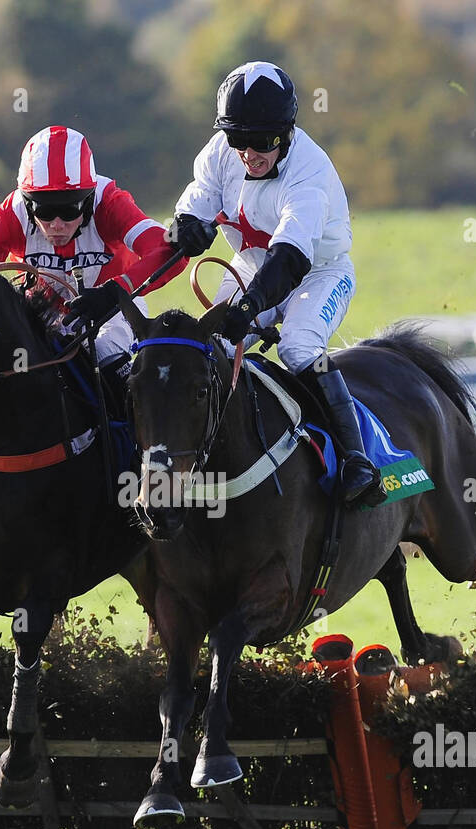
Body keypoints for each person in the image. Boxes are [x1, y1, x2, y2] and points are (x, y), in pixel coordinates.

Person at [171, 61, 387, 508]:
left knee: (298, 347)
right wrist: (185, 225)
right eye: (238, 140)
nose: (249, 153)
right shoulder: (219, 153)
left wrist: (248, 311)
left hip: (318, 272)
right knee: (209, 344)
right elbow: (198, 197)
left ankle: (357, 461)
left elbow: (288, 260)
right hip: (252, 267)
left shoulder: (308, 173)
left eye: (262, 141)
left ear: (287, 132)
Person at [0, 125, 186, 397]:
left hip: (111, 310)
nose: (56, 225)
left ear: (88, 201)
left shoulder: (110, 202)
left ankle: (126, 435)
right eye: (44, 210)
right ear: (28, 204)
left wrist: (115, 292)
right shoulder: (11, 213)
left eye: (68, 209)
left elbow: (171, 252)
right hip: (42, 312)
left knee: (104, 356)